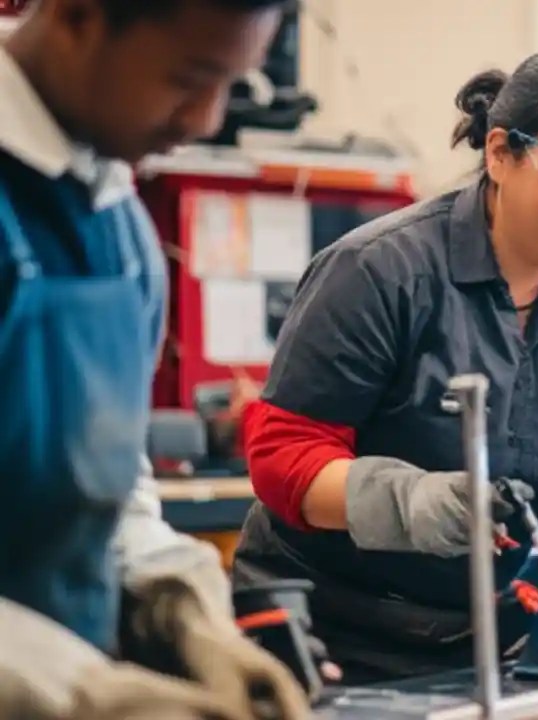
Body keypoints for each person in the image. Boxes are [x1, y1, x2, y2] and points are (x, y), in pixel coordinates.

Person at [231, 49, 538, 684]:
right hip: (331, 629)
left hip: (488, 633)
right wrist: (413, 501)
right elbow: (284, 457)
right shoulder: (380, 271)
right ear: (500, 153)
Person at [0, 1, 311, 718]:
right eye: (190, 77)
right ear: (79, 17)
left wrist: (183, 612)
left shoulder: (124, 236)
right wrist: (76, 689)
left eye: (233, 85)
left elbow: (111, 498)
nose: (205, 119)